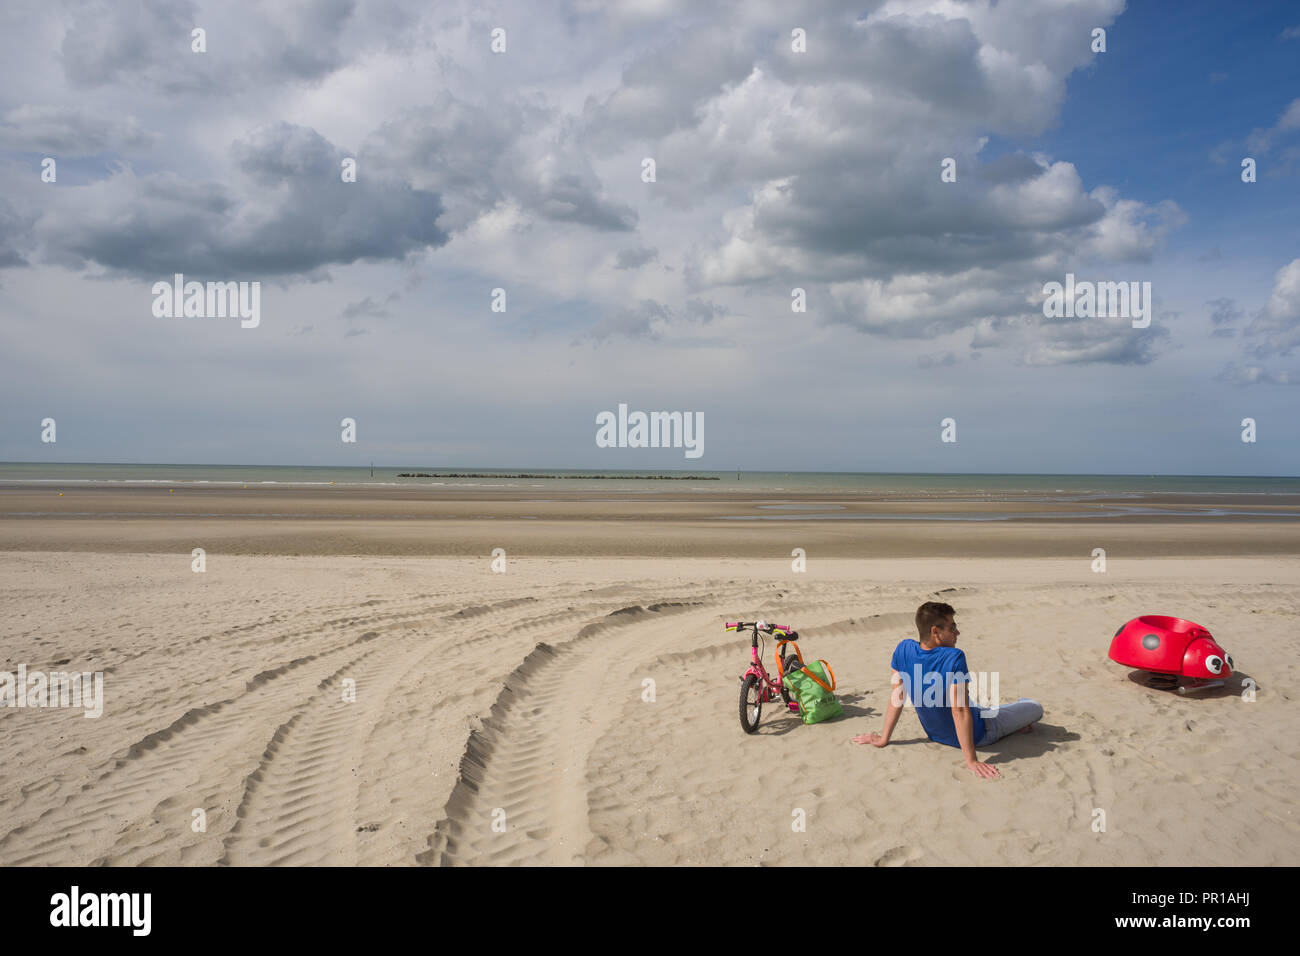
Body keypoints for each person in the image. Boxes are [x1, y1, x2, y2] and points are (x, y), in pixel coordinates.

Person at [853, 601, 1043, 779]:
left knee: (976, 704)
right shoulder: (954, 657)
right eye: (952, 628)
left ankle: (1010, 719)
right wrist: (972, 761)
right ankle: (1013, 722)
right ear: (935, 631)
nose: (957, 632)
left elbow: (898, 696)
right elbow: (959, 711)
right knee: (1034, 706)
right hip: (981, 733)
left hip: (936, 734)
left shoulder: (904, 649)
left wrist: (884, 738)